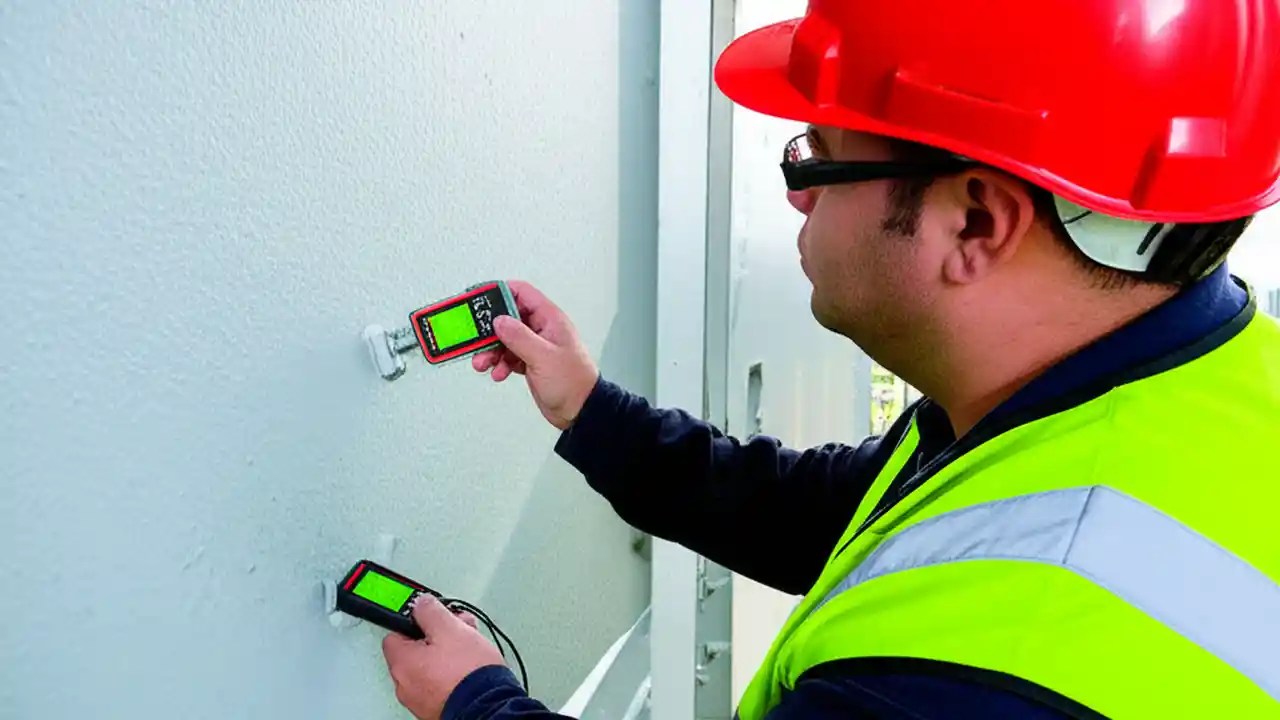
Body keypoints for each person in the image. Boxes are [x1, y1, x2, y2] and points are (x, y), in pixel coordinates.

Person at [380, 0, 1280, 718]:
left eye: (815, 160)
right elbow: (826, 514)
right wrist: (586, 403)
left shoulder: (970, 680)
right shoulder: (1164, 388)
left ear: (973, 222)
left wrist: (476, 704)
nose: (798, 201)